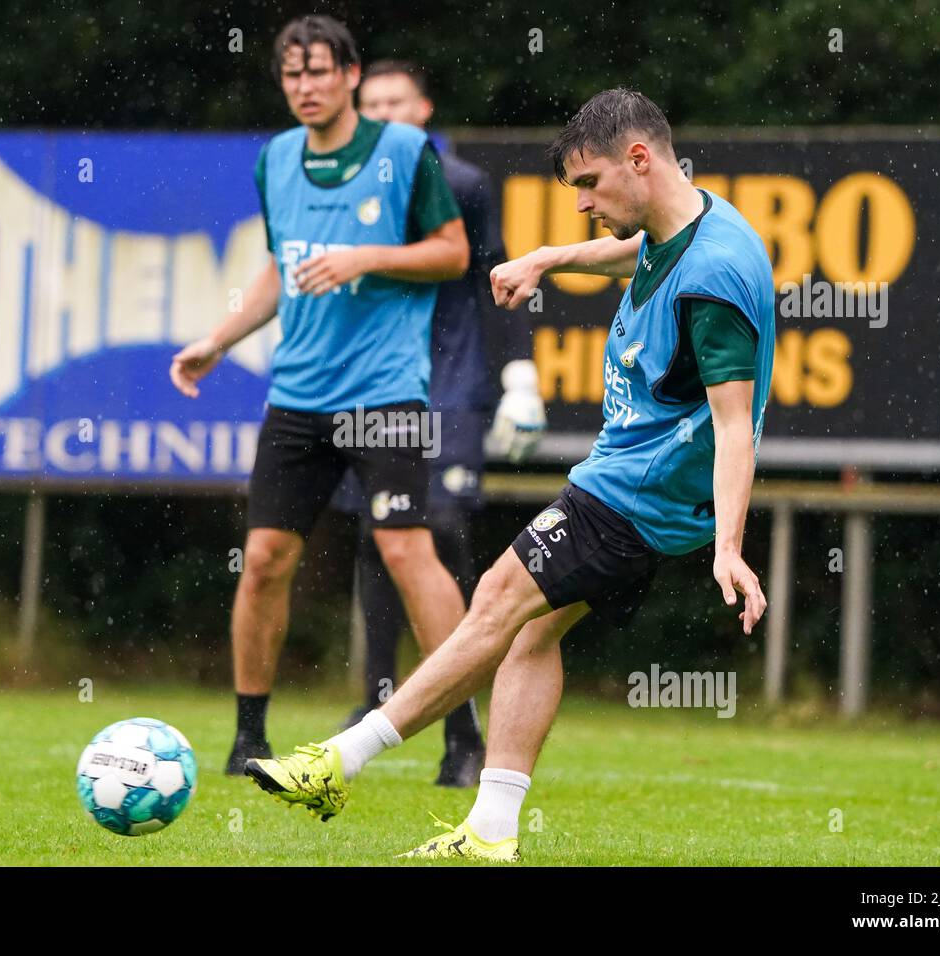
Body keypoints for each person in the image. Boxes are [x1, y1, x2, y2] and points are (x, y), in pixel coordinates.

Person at [244, 88, 775, 861]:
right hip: (632, 477)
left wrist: (730, 546)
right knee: (528, 631)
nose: (585, 205)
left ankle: (338, 759)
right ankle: (491, 834)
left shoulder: (717, 276)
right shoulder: (693, 225)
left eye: (590, 185)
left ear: (639, 159)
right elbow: (643, 252)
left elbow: (735, 426)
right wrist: (551, 258)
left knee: (495, 596)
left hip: (641, 493)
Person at [169, 15, 472, 776]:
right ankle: (248, 738)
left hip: (388, 393)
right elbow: (280, 265)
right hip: (298, 396)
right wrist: (219, 338)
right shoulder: (275, 158)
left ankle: (464, 735)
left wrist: (366, 256)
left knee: (407, 549)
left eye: (319, 72)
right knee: (266, 557)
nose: (306, 87)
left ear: (351, 76)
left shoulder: (404, 153)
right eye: (292, 74)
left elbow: (452, 253)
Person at [331, 58, 547, 788]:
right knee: (376, 538)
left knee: (443, 540)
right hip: (373, 389)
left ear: (424, 109)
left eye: (397, 100)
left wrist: (519, 377)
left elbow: (497, 282)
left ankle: (462, 731)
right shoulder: (346, 187)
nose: (384, 112)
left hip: (448, 391)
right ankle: (375, 700)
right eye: (372, 103)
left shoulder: (460, 184)